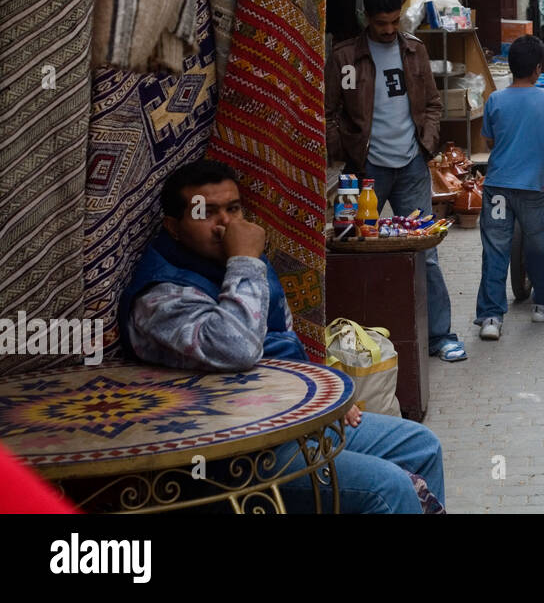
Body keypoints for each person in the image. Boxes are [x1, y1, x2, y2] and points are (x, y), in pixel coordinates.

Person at [119, 160, 445, 513]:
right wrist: (244, 258)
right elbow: (237, 349)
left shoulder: (233, 264)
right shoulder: (160, 296)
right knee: (387, 487)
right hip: (234, 449)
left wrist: (325, 398)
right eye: (206, 213)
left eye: (233, 209)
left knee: (421, 445)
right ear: (174, 228)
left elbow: (283, 341)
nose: (225, 224)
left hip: (288, 420)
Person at [325, 0, 465, 363]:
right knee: (355, 248)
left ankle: (440, 336)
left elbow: (433, 104)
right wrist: (347, 148)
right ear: (367, 19)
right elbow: (329, 111)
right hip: (366, 169)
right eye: (381, 23)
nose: (389, 29)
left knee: (426, 252)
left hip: (411, 166)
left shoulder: (414, 50)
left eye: (394, 21)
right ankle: (354, 337)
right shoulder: (345, 58)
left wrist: (427, 144)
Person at [474, 35, 544, 339]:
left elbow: (489, 140)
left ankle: (491, 318)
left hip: (498, 186)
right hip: (533, 188)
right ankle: (543, 302)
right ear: (537, 70)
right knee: (535, 247)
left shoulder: (495, 100)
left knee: (495, 249)